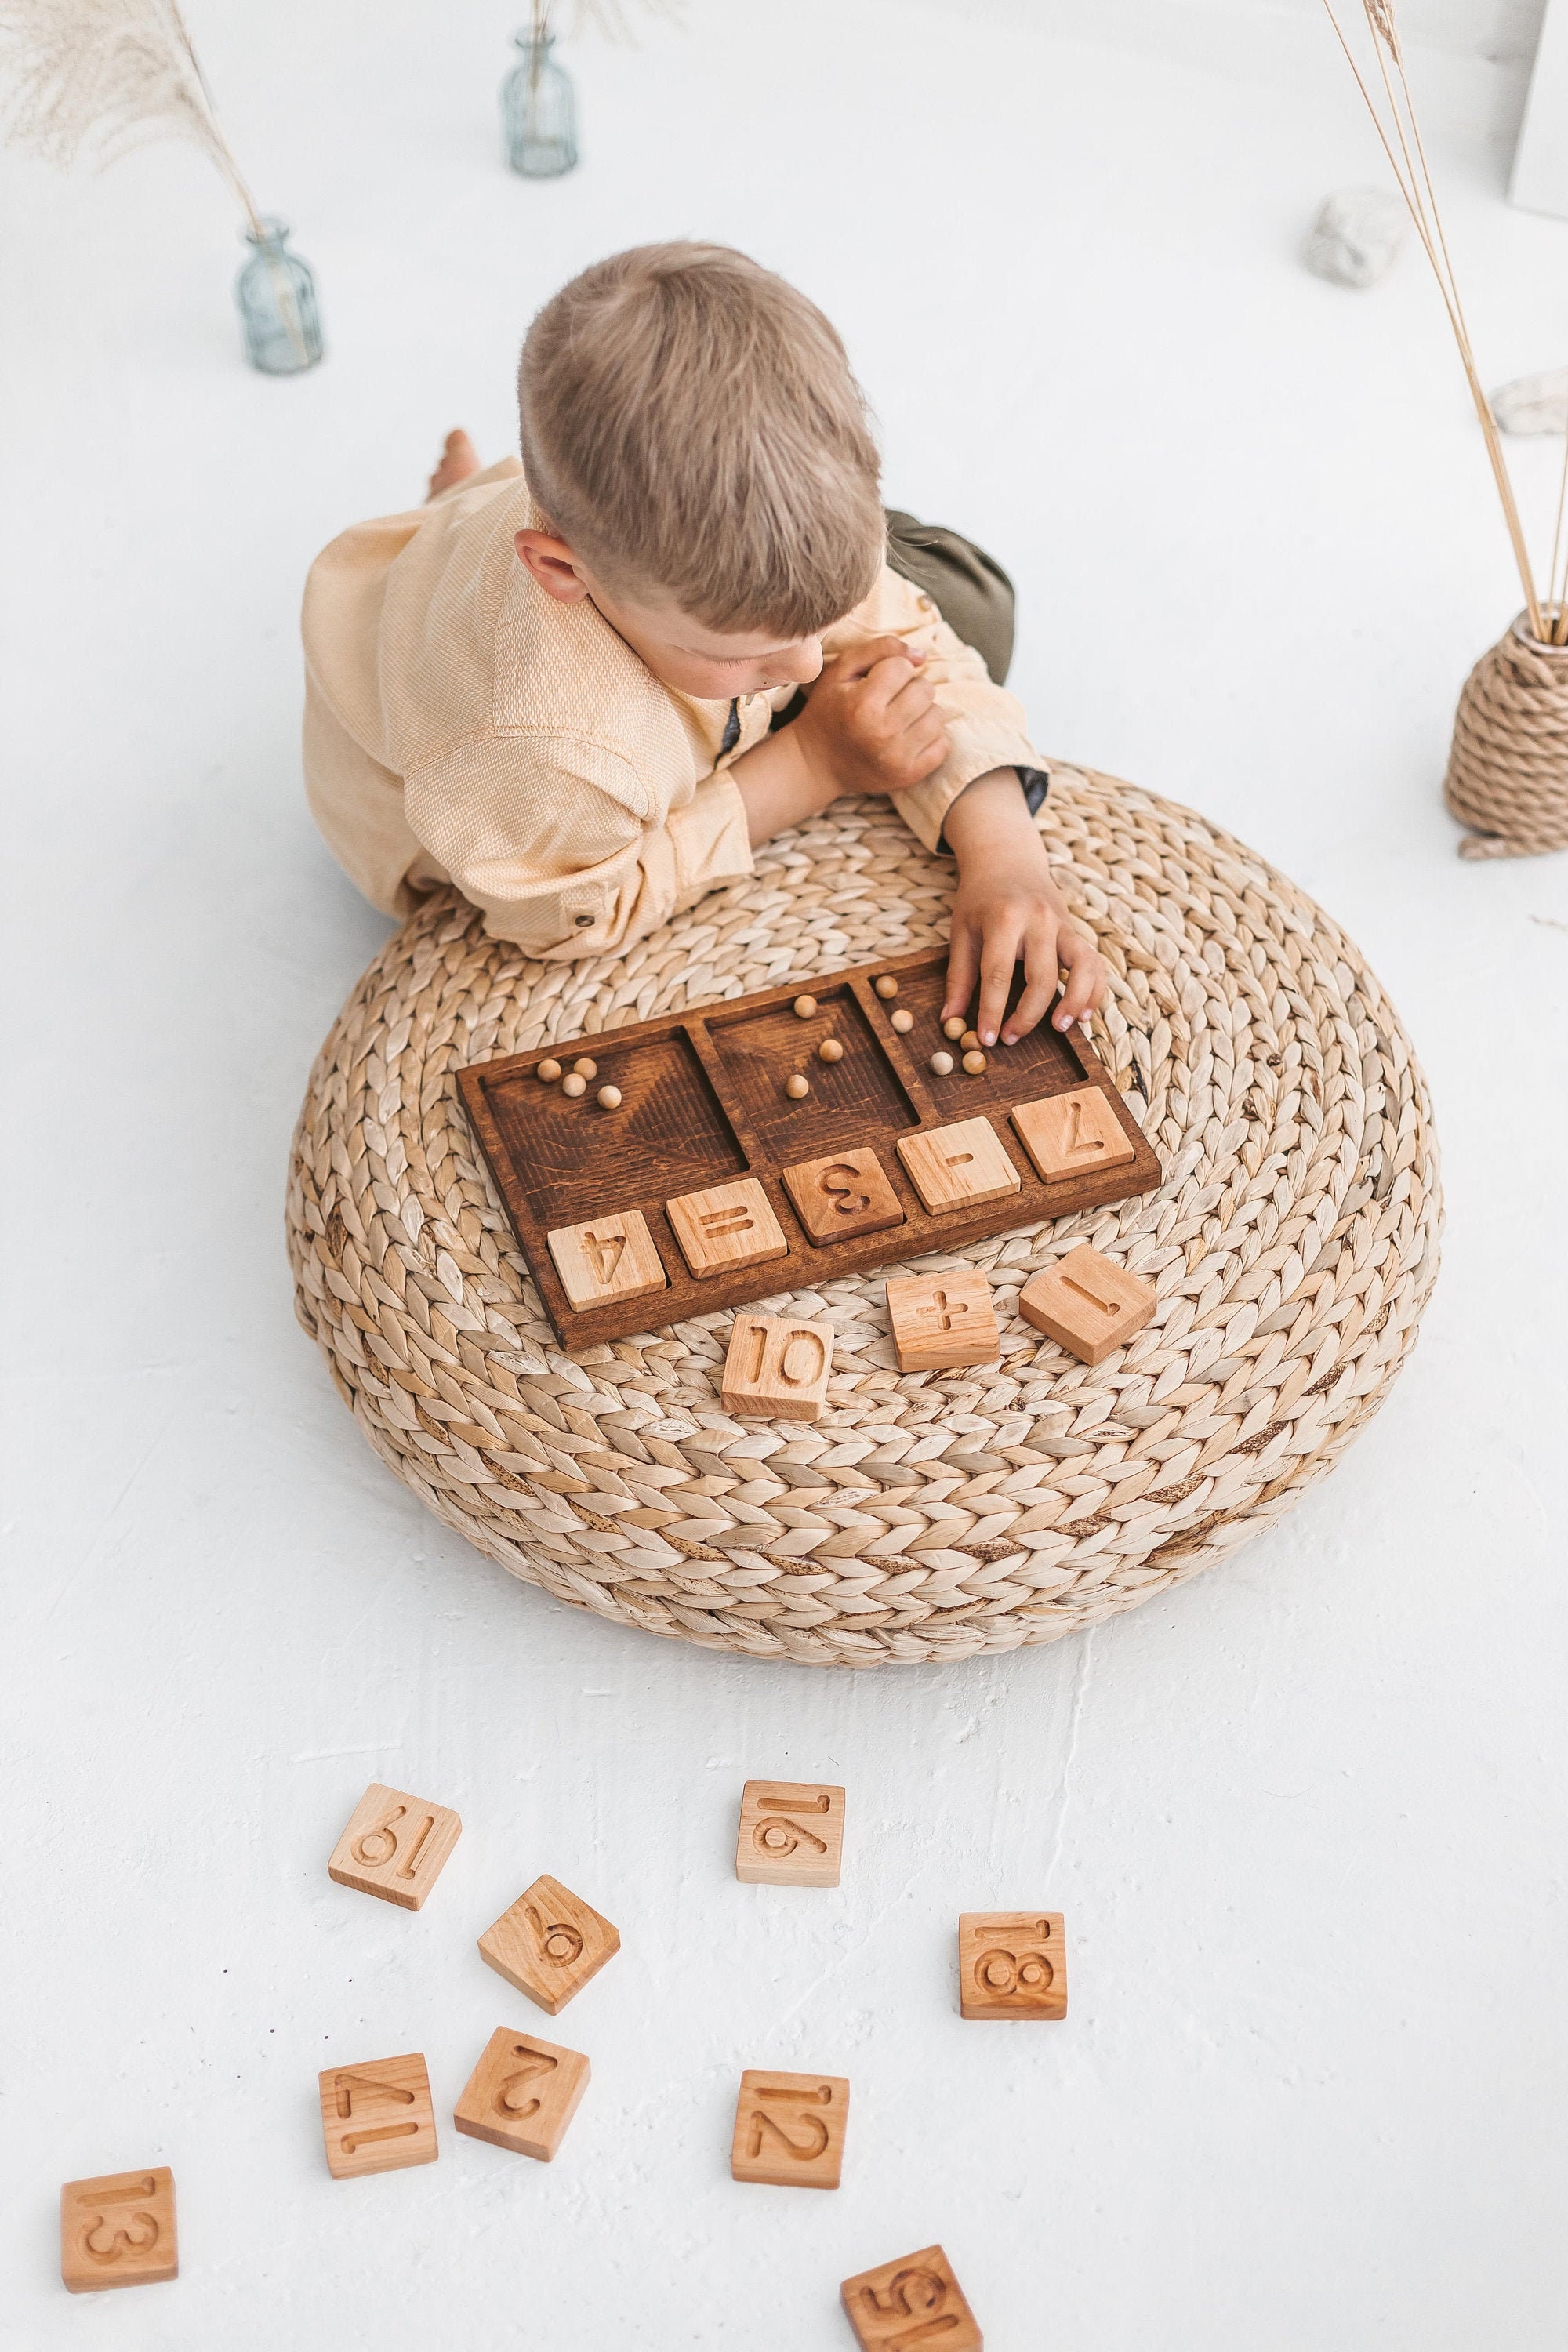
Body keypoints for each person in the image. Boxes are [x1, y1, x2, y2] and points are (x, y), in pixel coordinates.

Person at [302, 242, 1105, 1048]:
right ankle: (450, 539)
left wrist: (1006, 859)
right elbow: (576, 917)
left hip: (599, 596)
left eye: (814, 626)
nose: (805, 669)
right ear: (563, 573)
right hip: (507, 800)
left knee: (972, 606)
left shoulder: (695, 597)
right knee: (877, 670)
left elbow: (900, 631)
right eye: (744, 654)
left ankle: (462, 521)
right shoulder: (542, 748)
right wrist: (809, 765)